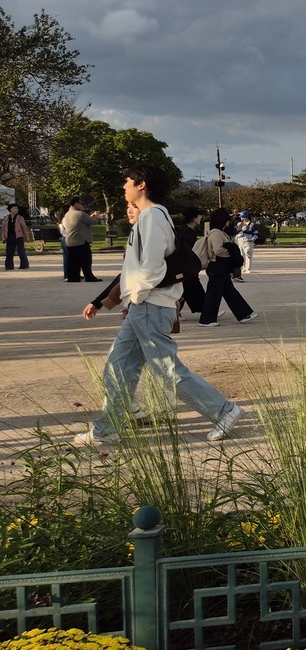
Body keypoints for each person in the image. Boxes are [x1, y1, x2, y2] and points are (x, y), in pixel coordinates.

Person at [74, 165, 245, 446]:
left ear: (142, 184)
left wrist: (137, 297)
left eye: (127, 181)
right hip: (144, 305)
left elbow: (152, 266)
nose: (123, 186)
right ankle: (109, 428)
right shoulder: (151, 217)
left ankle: (224, 411)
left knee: (167, 369)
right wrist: (131, 300)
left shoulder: (152, 216)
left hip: (150, 305)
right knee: (117, 368)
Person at [197, 209, 258, 326]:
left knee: (230, 292)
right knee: (214, 294)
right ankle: (206, 319)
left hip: (220, 267)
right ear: (224, 220)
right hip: (217, 266)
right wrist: (232, 254)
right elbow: (218, 250)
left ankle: (244, 314)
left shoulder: (219, 232)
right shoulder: (216, 233)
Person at [61, 198, 103, 283]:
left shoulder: (67, 214)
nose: (82, 205)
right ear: (75, 204)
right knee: (86, 260)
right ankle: (89, 276)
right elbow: (93, 222)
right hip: (81, 241)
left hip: (70, 241)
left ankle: (73, 277)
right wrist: (98, 217)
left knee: (73, 261)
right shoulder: (79, 214)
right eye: (80, 203)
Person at [173, 207, 206, 315]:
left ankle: (178, 312)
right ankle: (205, 309)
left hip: (181, 264)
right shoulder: (188, 233)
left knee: (184, 288)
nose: (200, 218)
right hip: (185, 264)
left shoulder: (183, 230)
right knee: (192, 286)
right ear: (194, 218)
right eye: (199, 216)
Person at [3, 203, 29, 270]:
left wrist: (27, 236)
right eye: (14, 208)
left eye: (16, 208)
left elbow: (24, 228)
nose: (15, 210)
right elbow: (3, 228)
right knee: (9, 252)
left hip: (18, 236)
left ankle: (24, 265)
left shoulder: (20, 218)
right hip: (10, 236)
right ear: (10, 210)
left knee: (21, 251)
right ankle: (9, 266)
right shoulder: (6, 218)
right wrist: (3, 236)